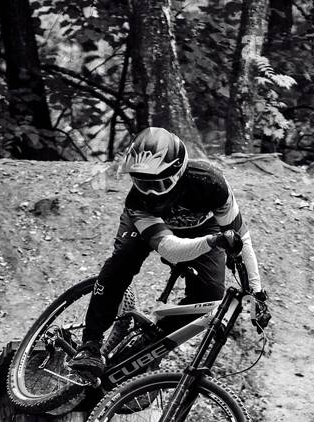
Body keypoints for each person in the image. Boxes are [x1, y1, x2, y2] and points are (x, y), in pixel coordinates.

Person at [73, 126, 270, 378]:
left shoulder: (211, 184)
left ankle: (152, 342)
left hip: (203, 227)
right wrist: (212, 241)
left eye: (159, 184)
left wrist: (256, 292)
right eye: (141, 183)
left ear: (178, 173)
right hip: (157, 228)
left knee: (210, 295)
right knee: (121, 264)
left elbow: (241, 238)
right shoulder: (138, 201)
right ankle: (89, 343)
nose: (151, 193)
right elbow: (170, 249)